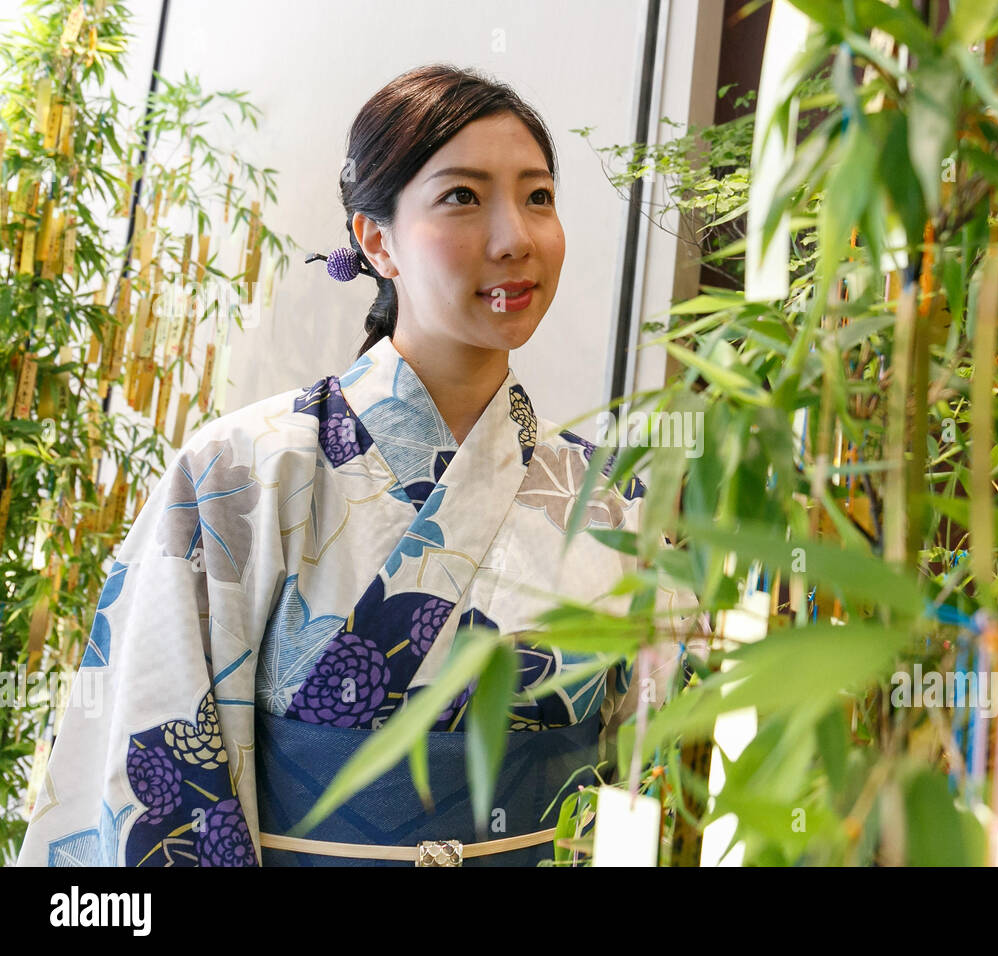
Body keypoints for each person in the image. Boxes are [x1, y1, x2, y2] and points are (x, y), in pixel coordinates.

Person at [17, 63, 705, 867]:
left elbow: (664, 776)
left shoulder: (617, 501)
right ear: (375, 240)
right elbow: (159, 755)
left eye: (538, 196)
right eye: (463, 196)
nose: (515, 235)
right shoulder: (240, 473)